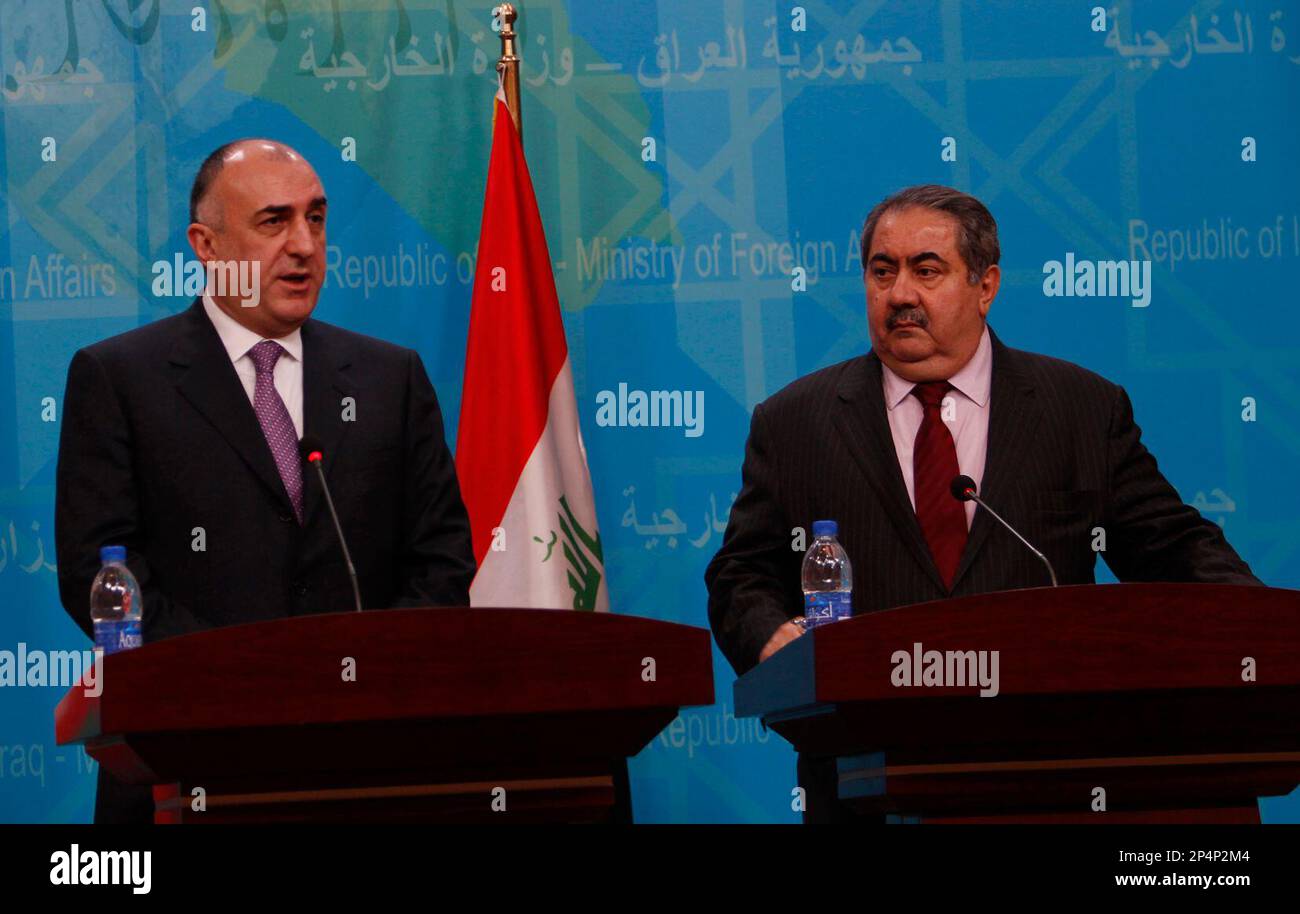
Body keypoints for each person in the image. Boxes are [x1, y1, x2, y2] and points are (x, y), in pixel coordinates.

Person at [705, 183, 1261, 822]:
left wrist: (1263, 631)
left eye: (926, 270)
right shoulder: (795, 422)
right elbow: (741, 573)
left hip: (1049, 777)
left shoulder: (1079, 409)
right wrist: (772, 638)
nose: (900, 294)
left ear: (985, 285)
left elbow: (1173, 547)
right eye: (882, 272)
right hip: (865, 780)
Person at [55, 139, 476, 823]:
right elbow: (99, 573)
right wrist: (248, 683)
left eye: (316, 218)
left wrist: (360, 677)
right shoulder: (120, 379)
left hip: (367, 769)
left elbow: (442, 563)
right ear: (207, 246)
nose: (304, 246)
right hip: (185, 764)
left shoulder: (389, 379)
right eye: (274, 222)